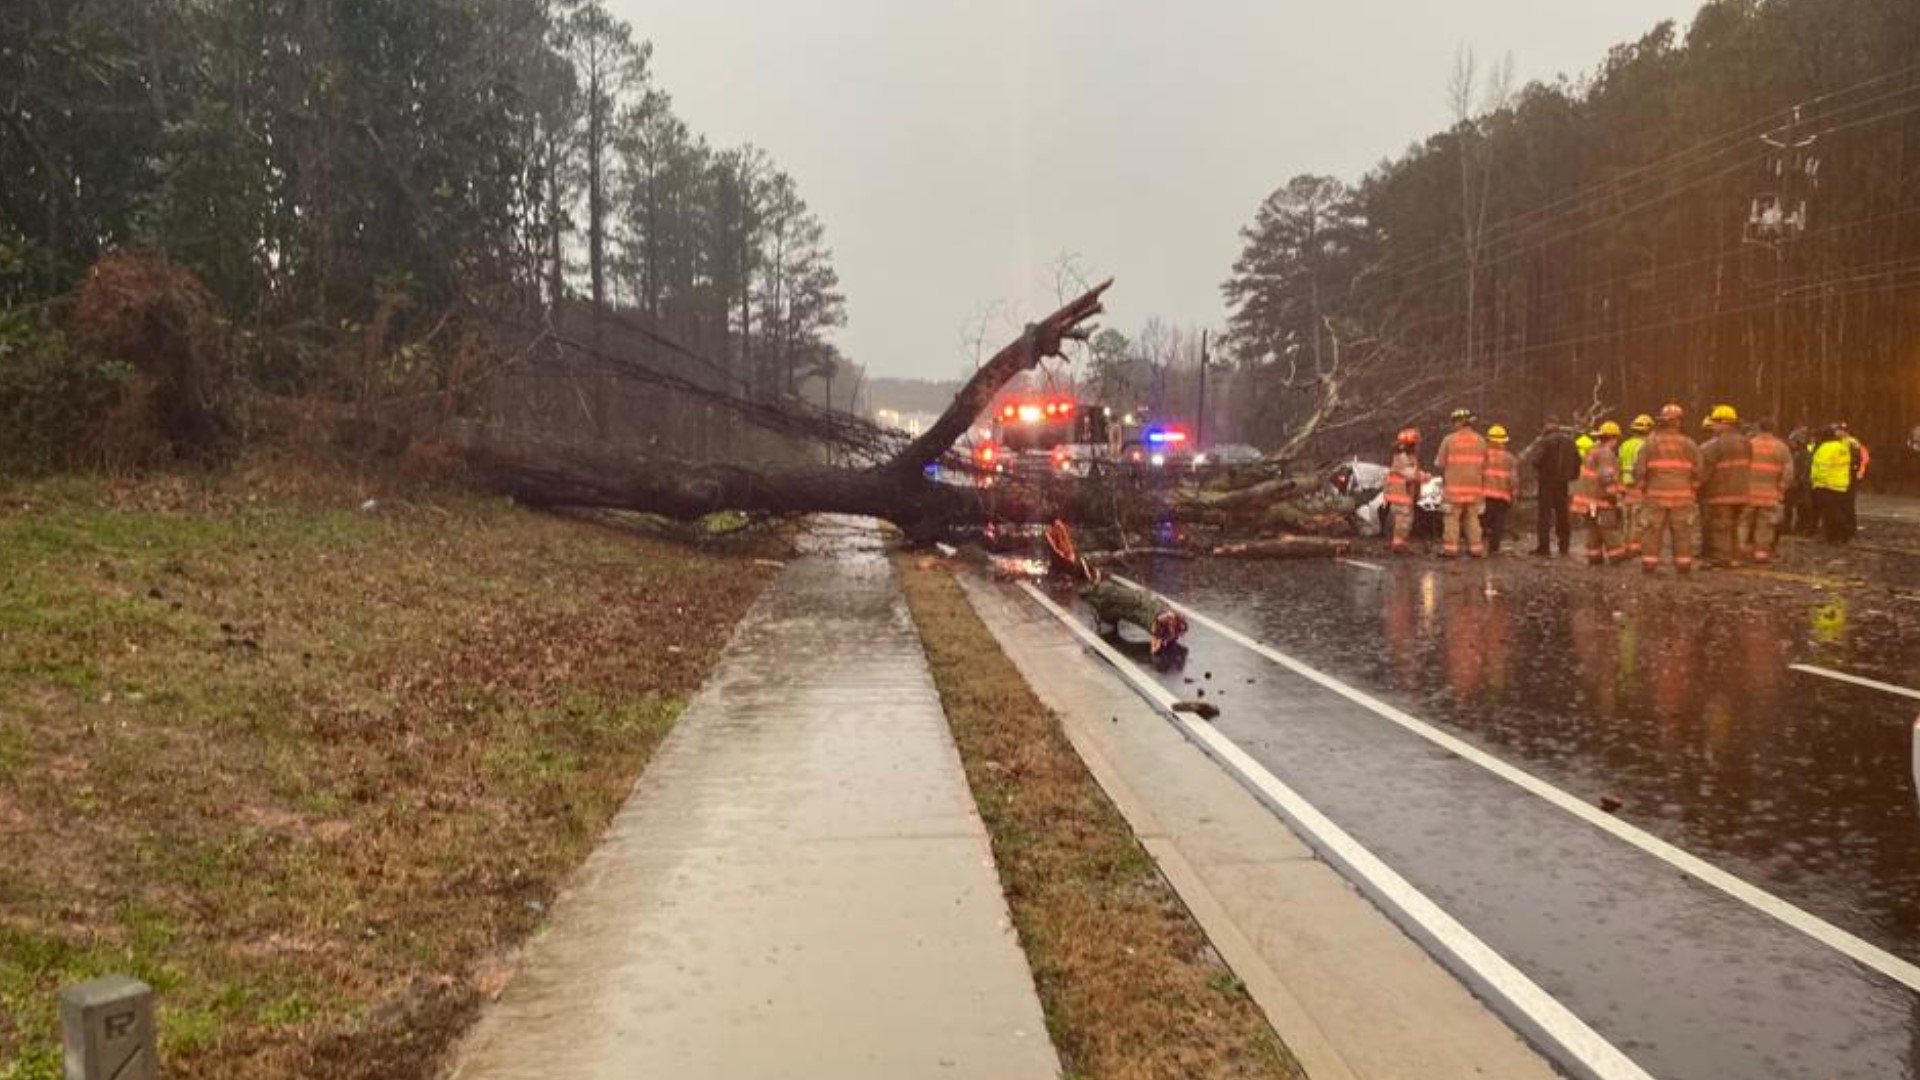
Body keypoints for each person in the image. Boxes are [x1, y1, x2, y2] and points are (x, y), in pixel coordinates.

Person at [1636, 403, 1704, 574]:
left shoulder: (1650, 444)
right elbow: (1700, 471)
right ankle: (1683, 566)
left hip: (1655, 496)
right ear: (1679, 422)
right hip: (1682, 497)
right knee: (1682, 532)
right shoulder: (1689, 444)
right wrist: (1693, 488)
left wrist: (1643, 487)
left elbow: (1639, 470)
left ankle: (1649, 565)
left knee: (1651, 531)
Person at [1698, 404, 1751, 568]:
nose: (1713, 426)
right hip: (1742, 493)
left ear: (1723, 422)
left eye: (1715, 422)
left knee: (1721, 526)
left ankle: (1722, 558)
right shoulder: (1746, 442)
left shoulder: (1714, 445)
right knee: (1733, 525)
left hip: (1720, 493)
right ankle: (1735, 557)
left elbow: (1704, 472)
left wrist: (1696, 487)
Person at [1433, 408, 1488, 558]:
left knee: (1451, 518)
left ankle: (1450, 550)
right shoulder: (1481, 440)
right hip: (1475, 488)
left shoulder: (1449, 440)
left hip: (1454, 489)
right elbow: (1486, 465)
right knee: (1472, 517)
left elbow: (1439, 463)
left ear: (1458, 422)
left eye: (1453, 422)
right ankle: (1476, 549)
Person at [1521, 419, 1580, 557]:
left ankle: (1544, 547)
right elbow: (1578, 461)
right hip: (1563, 483)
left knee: (1544, 516)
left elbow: (1536, 460)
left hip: (1547, 482)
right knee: (1563, 514)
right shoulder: (1570, 442)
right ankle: (1564, 547)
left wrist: (1540, 472)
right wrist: (1572, 476)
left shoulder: (1545, 441)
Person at [1571, 421, 1626, 565]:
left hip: (1589, 502)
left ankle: (1594, 556)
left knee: (1593, 527)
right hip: (1601, 500)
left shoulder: (1592, 450)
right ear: (1613, 437)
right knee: (1608, 527)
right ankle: (1616, 556)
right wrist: (1613, 496)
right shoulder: (1606, 454)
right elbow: (1606, 477)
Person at [1742, 419, 1792, 564]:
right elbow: (1788, 471)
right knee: (1765, 525)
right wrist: (1782, 487)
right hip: (1770, 494)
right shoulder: (1781, 447)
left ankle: (1739, 551)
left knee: (1743, 522)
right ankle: (1761, 554)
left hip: (1748, 492)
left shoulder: (1748, 444)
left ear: (1758, 428)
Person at [1810, 425, 1856, 544]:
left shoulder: (1825, 448)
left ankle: (1838, 533)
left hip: (1825, 485)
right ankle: (1836, 536)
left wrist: (1816, 481)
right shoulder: (1843, 447)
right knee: (1837, 510)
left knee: (1830, 513)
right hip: (1841, 484)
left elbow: (1821, 466)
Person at [1384, 428, 1426, 555]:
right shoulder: (1403, 458)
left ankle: (1397, 542)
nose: (1417, 447)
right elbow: (1411, 474)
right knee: (1403, 520)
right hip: (1402, 494)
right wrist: (1425, 476)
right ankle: (1398, 544)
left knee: (1401, 519)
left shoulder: (1404, 456)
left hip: (1401, 493)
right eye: (1415, 444)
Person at [1618, 414, 1653, 557]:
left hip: (1624, 485)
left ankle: (1624, 545)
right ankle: (1634, 548)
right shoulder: (1645, 445)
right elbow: (1644, 467)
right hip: (1638, 485)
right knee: (1638, 518)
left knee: (1626, 518)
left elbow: (1618, 464)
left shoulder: (1624, 444)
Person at [1481, 424, 1518, 554]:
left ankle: (1480, 545)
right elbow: (1513, 480)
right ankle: (1494, 547)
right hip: (1503, 496)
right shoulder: (1510, 458)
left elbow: (1478, 474)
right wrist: (1514, 495)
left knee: (1483, 521)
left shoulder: (1483, 456)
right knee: (1498, 523)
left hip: (1485, 494)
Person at [1784, 426, 1815, 536]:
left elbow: (1805, 470)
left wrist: (1799, 480)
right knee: (1789, 507)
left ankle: (1801, 528)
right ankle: (1789, 527)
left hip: (1801, 485)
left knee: (1802, 507)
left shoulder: (1804, 454)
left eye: (1793, 441)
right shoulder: (1793, 453)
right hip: (1795, 484)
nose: (1790, 443)